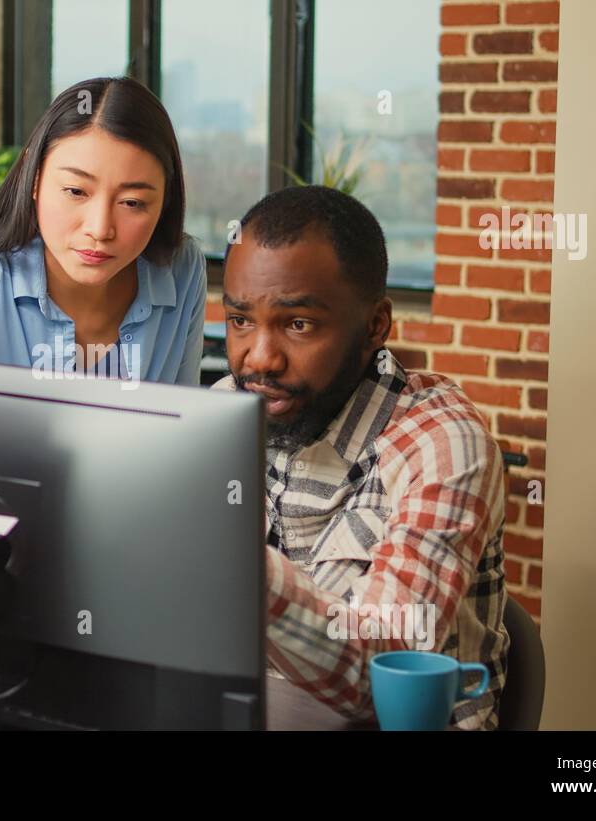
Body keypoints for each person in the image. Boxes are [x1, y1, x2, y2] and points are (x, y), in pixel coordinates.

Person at [216, 185, 509, 729]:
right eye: (240, 321)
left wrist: (225, 563)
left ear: (376, 326)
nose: (259, 358)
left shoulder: (443, 446)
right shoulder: (224, 415)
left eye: (297, 324)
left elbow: (377, 676)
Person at [0, 76, 207, 386]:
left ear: (165, 200)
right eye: (76, 191)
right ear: (35, 177)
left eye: (132, 202)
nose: (100, 229)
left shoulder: (181, 268)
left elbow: (185, 423)